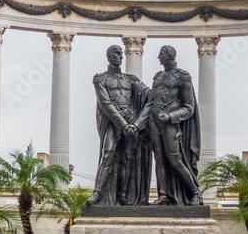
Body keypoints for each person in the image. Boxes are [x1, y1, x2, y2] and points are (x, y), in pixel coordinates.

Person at [86, 45, 152, 206]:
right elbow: (106, 104)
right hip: (114, 122)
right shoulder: (100, 79)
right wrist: (123, 124)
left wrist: (161, 85)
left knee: (128, 158)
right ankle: (97, 193)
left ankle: (123, 194)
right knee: (107, 155)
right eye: (116, 53)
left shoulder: (130, 79)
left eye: (121, 53)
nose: (120, 56)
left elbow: (149, 94)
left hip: (132, 120)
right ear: (108, 56)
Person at [145, 45, 203, 206]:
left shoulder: (183, 77)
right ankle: (163, 195)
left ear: (170, 55)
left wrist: (170, 117)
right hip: (154, 122)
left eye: (161, 54)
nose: (158, 57)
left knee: (175, 160)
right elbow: (151, 101)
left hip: (171, 125)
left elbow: (189, 108)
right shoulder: (157, 77)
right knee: (160, 160)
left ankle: (196, 193)